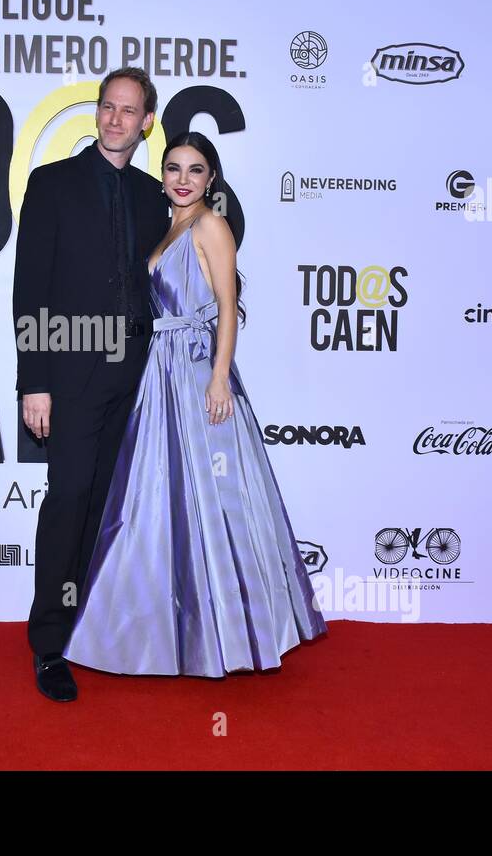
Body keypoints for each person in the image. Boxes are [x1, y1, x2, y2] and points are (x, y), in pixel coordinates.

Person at [62, 131, 328, 678]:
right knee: (159, 501)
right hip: (160, 370)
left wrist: (218, 378)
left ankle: (233, 632)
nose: (183, 179)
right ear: (163, 174)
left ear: (212, 178)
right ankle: (160, 627)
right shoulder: (171, 225)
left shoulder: (210, 225)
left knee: (216, 499)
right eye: (174, 168)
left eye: (195, 170)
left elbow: (228, 307)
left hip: (197, 371)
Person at [12, 67, 170, 702]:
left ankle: (91, 627)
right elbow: (30, 287)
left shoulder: (152, 195)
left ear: (146, 124)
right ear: (96, 112)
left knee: (109, 505)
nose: (115, 119)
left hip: (138, 370)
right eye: (108, 107)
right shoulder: (51, 184)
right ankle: (49, 643)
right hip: (71, 366)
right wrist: (34, 381)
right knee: (70, 496)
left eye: (129, 111)